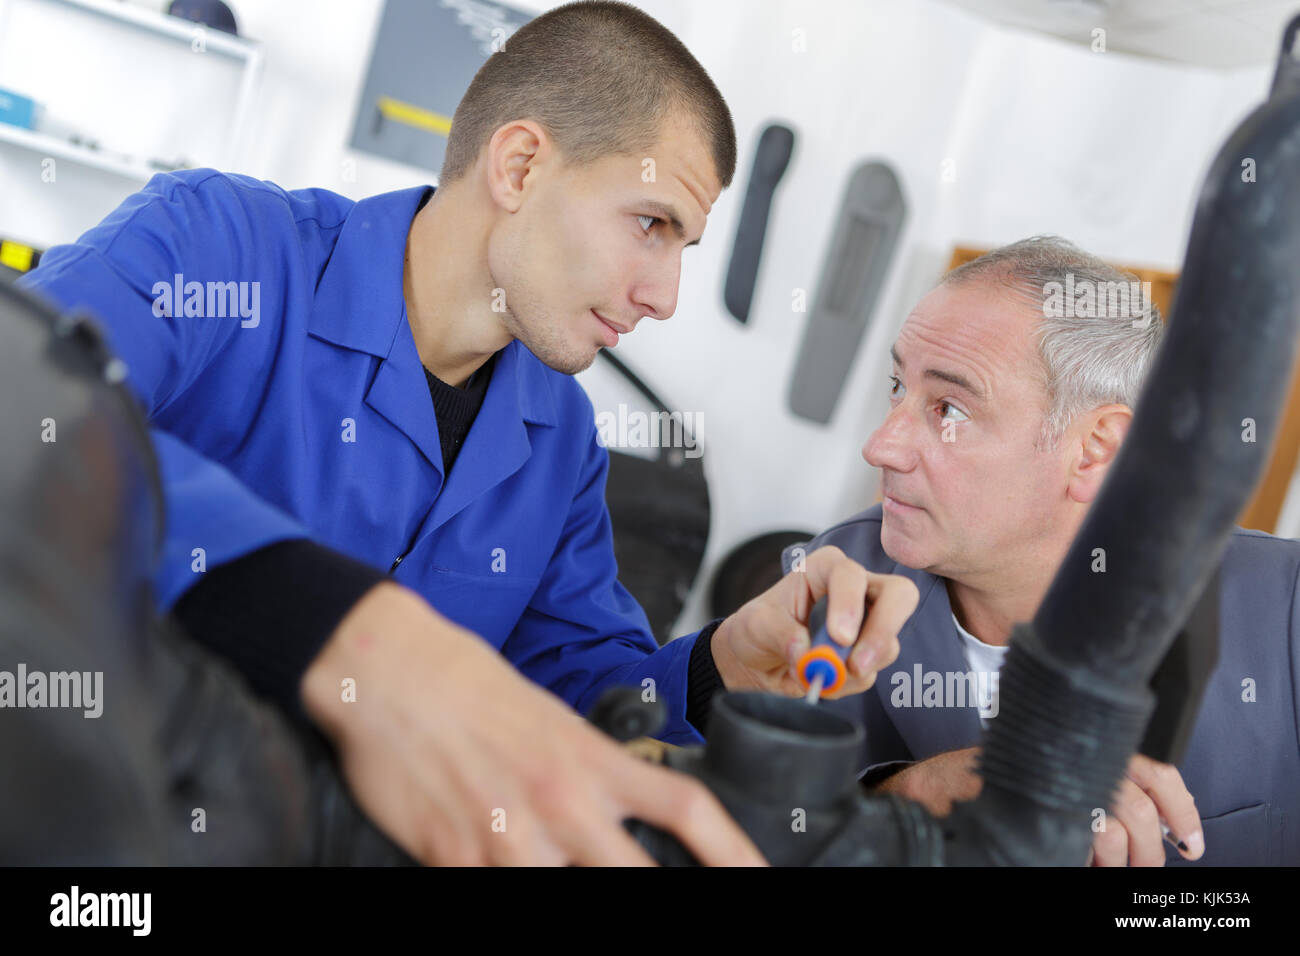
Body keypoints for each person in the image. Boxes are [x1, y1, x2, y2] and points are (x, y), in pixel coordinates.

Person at [17, 0, 918, 866]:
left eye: (682, 248)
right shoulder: (219, 247)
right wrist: (353, 632)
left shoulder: (560, 440)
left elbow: (577, 686)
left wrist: (722, 664)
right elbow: (30, 413)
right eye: (651, 224)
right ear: (521, 166)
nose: (664, 296)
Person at [787, 236, 1300, 866]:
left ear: (1094, 449)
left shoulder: (1284, 610)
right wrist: (911, 792)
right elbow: (750, 832)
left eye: (948, 407)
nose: (881, 445)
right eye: (898, 387)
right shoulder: (834, 582)